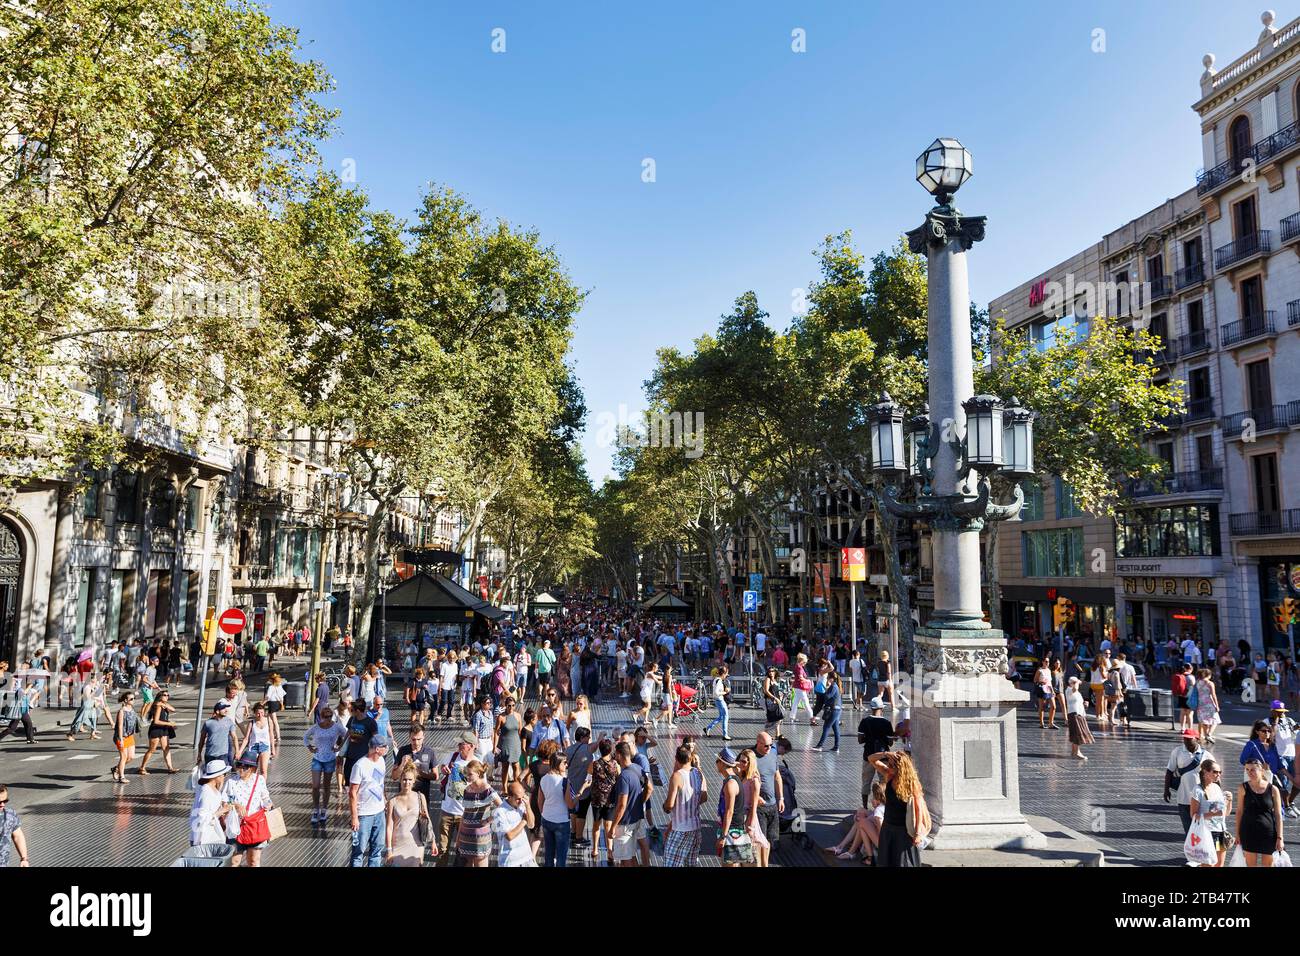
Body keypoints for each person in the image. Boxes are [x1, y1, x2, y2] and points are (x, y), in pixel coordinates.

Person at [866, 750, 926, 867]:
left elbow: (918, 810)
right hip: (888, 827)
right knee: (886, 862)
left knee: (903, 863)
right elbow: (871, 759)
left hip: (903, 831)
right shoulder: (889, 775)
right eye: (889, 764)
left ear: (901, 767)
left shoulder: (912, 784)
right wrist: (886, 754)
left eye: (892, 765)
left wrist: (918, 834)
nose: (888, 766)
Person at [224, 755, 274, 867]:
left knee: (254, 861)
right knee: (233, 862)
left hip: (255, 826)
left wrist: (269, 804)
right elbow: (224, 802)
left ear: (252, 768)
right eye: (238, 765)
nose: (240, 769)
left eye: (245, 767)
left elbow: (265, 797)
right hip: (236, 827)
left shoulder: (259, 780)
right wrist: (236, 805)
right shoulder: (231, 781)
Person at [348, 736, 390, 867]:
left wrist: (384, 800)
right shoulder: (360, 766)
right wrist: (355, 817)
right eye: (384, 747)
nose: (387, 748)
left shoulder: (382, 761)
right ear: (377, 749)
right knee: (358, 851)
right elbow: (352, 792)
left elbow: (380, 783)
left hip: (379, 812)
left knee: (377, 849)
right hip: (364, 815)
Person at [1236, 756, 1285, 867]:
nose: (1250, 772)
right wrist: (1237, 833)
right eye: (1247, 770)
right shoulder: (1243, 788)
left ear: (1261, 770)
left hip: (1268, 833)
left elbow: (1278, 814)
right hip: (1248, 831)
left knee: (1268, 865)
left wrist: (1280, 837)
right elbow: (1239, 811)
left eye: (1253, 769)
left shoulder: (1273, 789)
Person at [436, 734, 477, 866]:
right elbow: (442, 767)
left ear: (471, 746)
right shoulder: (453, 756)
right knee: (442, 849)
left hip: (464, 814)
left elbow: (482, 788)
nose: (459, 746)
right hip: (447, 810)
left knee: (461, 851)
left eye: (462, 744)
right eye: (459, 744)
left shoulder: (477, 764)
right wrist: (443, 769)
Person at [662, 743, 704, 867]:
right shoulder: (698, 773)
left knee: (670, 863)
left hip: (681, 829)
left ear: (676, 759)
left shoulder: (677, 776)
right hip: (695, 827)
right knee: (690, 864)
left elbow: (669, 805)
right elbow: (702, 797)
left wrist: (665, 806)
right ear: (690, 758)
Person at [305, 706, 349, 824]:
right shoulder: (316, 727)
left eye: (330, 716)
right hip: (317, 758)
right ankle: (315, 809)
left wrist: (340, 747)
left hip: (330, 758)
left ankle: (324, 809)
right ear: (321, 717)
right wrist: (310, 748)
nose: (328, 718)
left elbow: (346, 734)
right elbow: (306, 736)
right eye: (326, 716)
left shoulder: (336, 727)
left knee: (326, 786)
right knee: (315, 785)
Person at [610, 740, 651, 867]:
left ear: (618, 755)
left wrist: (613, 827)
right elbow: (650, 788)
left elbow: (622, 805)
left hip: (625, 824)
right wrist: (640, 801)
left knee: (625, 859)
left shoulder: (624, 777)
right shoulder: (638, 768)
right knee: (631, 854)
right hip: (637, 818)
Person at [456, 759, 501, 867]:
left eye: (470, 774)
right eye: (466, 773)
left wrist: (488, 820)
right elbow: (465, 813)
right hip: (465, 835)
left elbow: (502, 807)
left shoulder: (487, 790)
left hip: (480, 837)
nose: (467, 776)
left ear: (479, 773)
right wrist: (458, 837)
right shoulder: (467, 789)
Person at [1164, 729, 1209, 833]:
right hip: (1183, 797)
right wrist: (1166, 790)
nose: (1186, 741)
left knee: (1201, 829)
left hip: (1201, 798)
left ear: (1197, 739)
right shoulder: (1177, 751)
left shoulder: (1206, 755)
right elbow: (1169, 771)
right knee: (1188, 830)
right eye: (1184, 738)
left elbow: (1215, 774)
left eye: (1189, 738)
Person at [1188, 759, 1231, 867]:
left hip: (1220, 831)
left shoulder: (1216, 787)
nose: (1218, 775)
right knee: (1208, 864)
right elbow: (1193, 815)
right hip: (1207, 833)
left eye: (1220, 772)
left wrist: (1229, 801)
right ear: (1205, 772)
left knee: (1219, 864)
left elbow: (1225, 813)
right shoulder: (1198, 790)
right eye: (1215, 772)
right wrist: (1214, 814)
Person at [538, 749, 576, 866]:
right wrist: (578, 796)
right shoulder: (564, 781)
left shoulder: (544, 778)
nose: (567, 765)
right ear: (558, 764)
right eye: (564, 762)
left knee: (548, 853)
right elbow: (570, 804)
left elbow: (540, 801)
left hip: (546, 819)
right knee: (561, 856)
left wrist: (544, 815)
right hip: (561, 821)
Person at [735, 749, 770, 867]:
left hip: (748, 816)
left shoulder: (754, 779)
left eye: (744, 762)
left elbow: (754, 805)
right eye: (740, 760)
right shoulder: (743, 775)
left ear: (751, 763)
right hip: (741, 815)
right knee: (743, 849)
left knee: (751, 848)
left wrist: (750, 824)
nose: (741, 763)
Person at [188, 760, 234, 847]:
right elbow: (201, 817)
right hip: (204, 839)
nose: (225, 776)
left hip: (210, 836)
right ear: (217, 776)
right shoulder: (206, 791)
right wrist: (221, 811)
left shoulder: (211, 788)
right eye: (224, 774)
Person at [492, 781, 537, 867]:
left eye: (522, 797)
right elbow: (509, 836)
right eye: (518, 798)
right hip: (510, 861)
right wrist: (524, 821)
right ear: (509, 796)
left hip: (527, 857)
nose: (521, 801)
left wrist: (528, 806)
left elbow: (531, 825)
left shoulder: (522, 804)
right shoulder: (499, 812)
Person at [138, 689, 178, 774]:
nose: (167, 697)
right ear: (160, 696)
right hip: (156, 729)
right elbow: (156, 721)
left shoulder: (163, 704)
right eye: (164, 695)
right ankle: (142, 768)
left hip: (164, 729)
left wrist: (164, 704)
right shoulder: (158, 706)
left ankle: (170, 768)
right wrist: (170, 723)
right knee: (152, 749)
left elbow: (173, 709)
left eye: (168, 695)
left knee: (166, 748)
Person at [238, 701, 276, 777]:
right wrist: (239, 751)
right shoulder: (251, 723)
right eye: (258, 713)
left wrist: (273, 749)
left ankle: (263, 788)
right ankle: (252, 787)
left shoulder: (268, 721)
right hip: (253, 747)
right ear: (254, 713)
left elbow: (271, 735)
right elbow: (246, 739)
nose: (260, 715)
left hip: (265, 747)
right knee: (252, 770)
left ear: (264, 712)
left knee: (263, 770)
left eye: (262, 713)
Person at [109, 691, 139, 782]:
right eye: (131, 699)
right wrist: (121, 739)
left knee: (131, 757)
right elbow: (120, 726)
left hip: (130, 736)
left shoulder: (132, 709)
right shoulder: (122, 711)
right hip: (121, 736)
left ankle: (116, 769)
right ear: (126, 700)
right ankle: (121, 777)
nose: (133, 700)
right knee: (124, 757)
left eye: (134, 698)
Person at [813, 671, 844, 752]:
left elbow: (827, 696)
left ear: (832, 679)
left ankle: (820, 746)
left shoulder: (833, 686)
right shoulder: (836, 686)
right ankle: (836, 747)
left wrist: (826, 689)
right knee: (836, 728)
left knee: (826, 727)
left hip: (833, 710)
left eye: (828, 678)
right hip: (837, 709)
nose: (826, 679)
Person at [1064, 676, 1094, 761]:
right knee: (1077, 733)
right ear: (1071, 683)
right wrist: (1076, 682)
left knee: (1076, 733)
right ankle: (1077, 752)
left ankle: (1074, 752)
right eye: (1075, 683)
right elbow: (1074, 689)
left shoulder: (1076, 692)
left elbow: (1077, 702)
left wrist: (1084, 704)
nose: (1077, 684)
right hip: (1074, 714)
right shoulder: (1069, 690)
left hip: (1078, 713)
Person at [0, 681, 38, 745]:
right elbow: (22, 695)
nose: (31, 686)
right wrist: (28, 688)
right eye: (30, 685)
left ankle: (30, 739)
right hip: (18, 712)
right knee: (12, 728)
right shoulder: (20, 690)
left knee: (29, 724)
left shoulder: (27, 691)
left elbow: (33, 694)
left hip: (24, 711)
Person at [703, 664, 732, 740]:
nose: (726, 676)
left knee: (721, 717)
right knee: (726, 716)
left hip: (717, 700)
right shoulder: (719, 681)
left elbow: (716, 691)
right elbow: (716, 692)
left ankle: (708, 728)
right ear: (723, 674)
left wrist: (723, 691)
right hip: (720, 699)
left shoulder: (716, 679)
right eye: (726, 674)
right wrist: (725, 692)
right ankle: (725, 735)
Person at [1193, 668, 1221, 745]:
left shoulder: (1198, 682)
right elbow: (1213, 695)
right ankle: (1209, 734)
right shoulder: (1210, 683)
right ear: (1208, 675)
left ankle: (1206, 735)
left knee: (1204, 720)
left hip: (1200, 703)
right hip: (1209, 702)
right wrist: (1217, 705)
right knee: (1215, 719)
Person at [792, 653, 816, 724]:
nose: (805, 663)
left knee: (796, 702)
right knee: (806, 702)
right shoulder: (799, 668)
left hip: (797, 686)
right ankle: (811, 717)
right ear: (801, 661)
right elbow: (801, 678)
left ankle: (792, 716)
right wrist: (808, 681)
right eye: (804, 662)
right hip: (800, 687)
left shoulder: (797, 666)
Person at [1033, 656, 1057, 729]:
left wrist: (1053, 691)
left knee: (1053, 706)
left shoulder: (1049, 670)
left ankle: (1051, 723)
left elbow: (1049, 682)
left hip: (1049, 689)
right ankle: (1041, 723)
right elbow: (1035, 680)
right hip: (1042, 689)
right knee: (1042, 706)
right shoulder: (1040, 670)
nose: (1047, 663)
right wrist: (1041, 681)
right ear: (1042, 662)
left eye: (1048, 661)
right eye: (1046, 661)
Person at [263, 673, 286, 744]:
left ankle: (278, 737)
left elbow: (268, 697)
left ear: (271, 680)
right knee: (269, 719)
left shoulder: (271, 687)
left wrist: (262, 703)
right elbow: (282, 696)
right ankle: (272, 735)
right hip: (277, 703)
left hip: (272, 704)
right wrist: (282, 704)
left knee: (274, 720)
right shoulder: (279, 686)